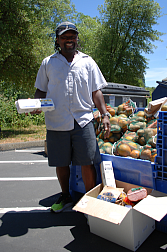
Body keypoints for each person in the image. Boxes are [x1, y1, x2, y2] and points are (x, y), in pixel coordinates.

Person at [34, 21, 111, 213]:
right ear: (58, 40)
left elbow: (96, 91)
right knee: (61, 162)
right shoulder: (48, 63)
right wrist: (35, 105)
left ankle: (90, 200)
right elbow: (40, 91)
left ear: (77, 39)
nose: (70, 40)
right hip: (56, 121)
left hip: (83, 120)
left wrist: (105, 114)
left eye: (73, 36)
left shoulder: (88, 62)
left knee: (87, 161)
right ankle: (65, 195)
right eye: (65, 37)